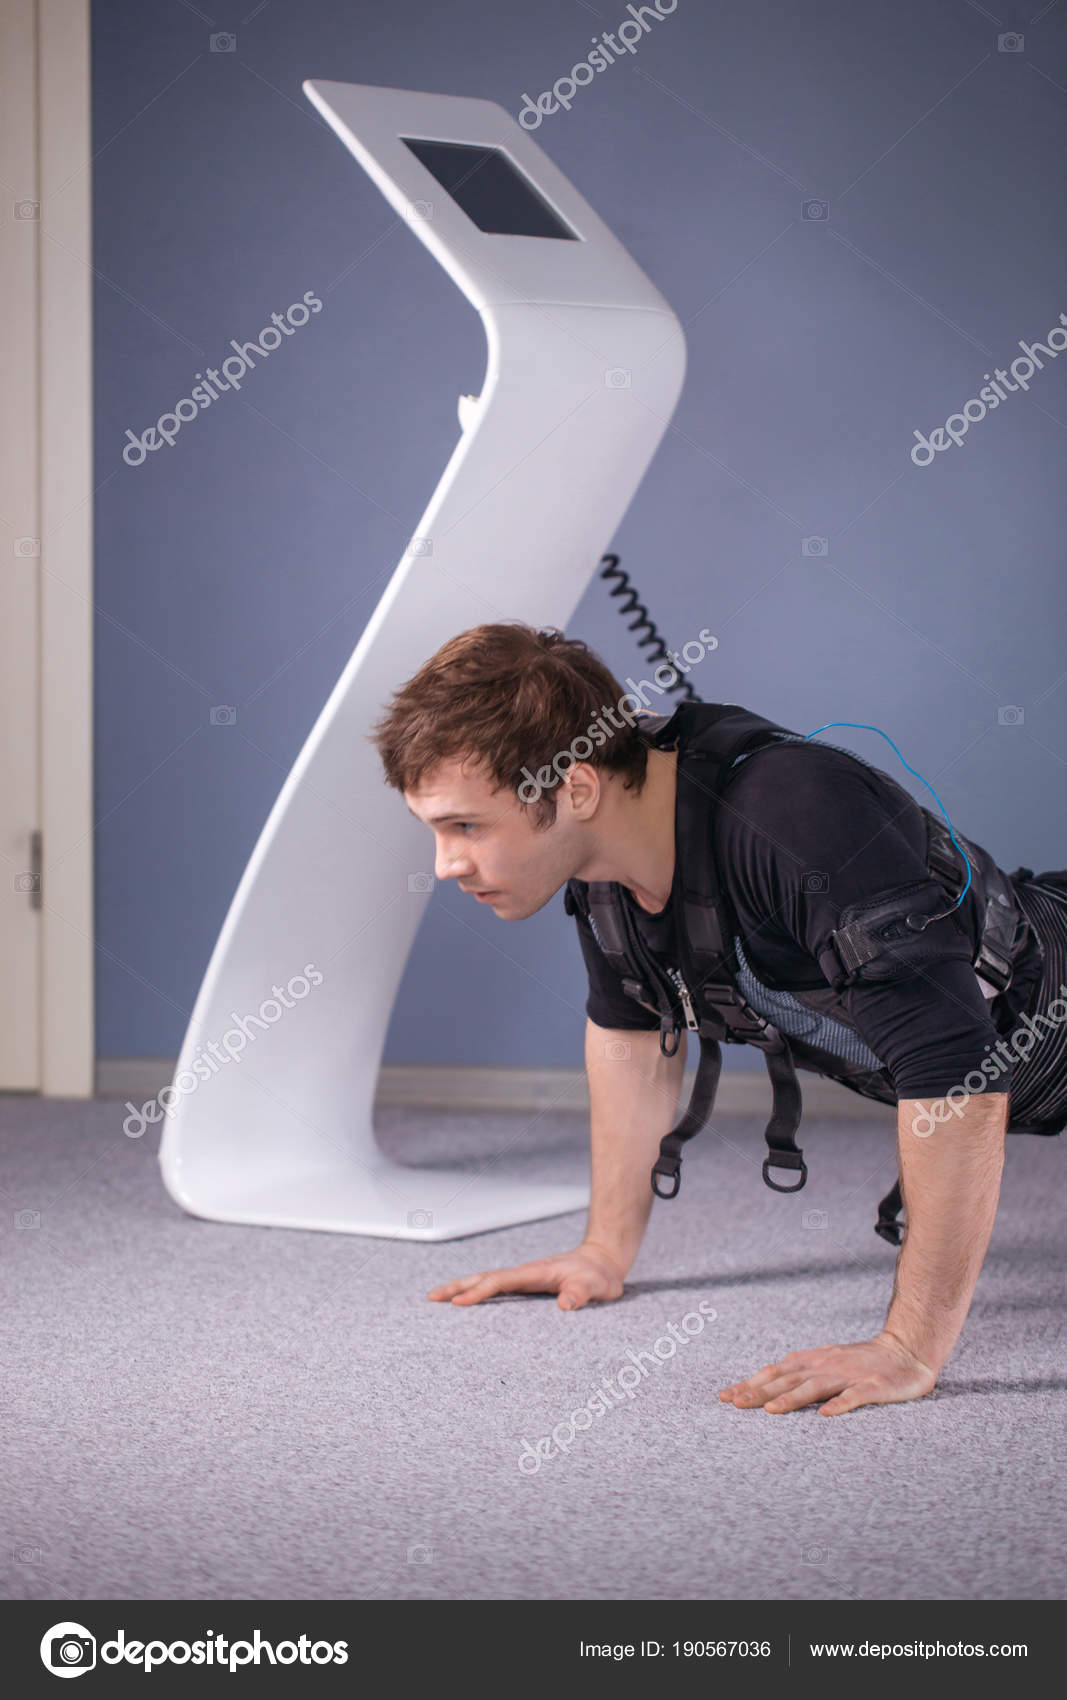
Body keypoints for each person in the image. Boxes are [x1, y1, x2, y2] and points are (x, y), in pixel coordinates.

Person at [369, 622, 1067, 1417]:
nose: (445, 865)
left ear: (576, 790)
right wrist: (602, 1252)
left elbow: (956, 1076)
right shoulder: (601, 867)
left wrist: (908, 1348)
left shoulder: (795, 815)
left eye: (465, 826)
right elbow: (630, 1034)